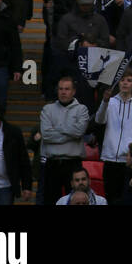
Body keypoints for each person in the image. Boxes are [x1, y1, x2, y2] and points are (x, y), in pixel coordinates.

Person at [95, 70, 132, 203]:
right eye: (122, 80)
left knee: (127, 199)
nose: (125, 83)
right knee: (111, 198)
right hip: (110, 159)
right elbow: (99, 120)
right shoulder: (110, 102)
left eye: (129, 80)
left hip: (128, 161)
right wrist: (104, 101)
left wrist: (131, 147)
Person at [39, 75, 90, 205]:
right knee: (50, 201)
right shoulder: (47, 109)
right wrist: (70, 133)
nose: (63, 92)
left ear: (73, 91)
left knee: (76, 200)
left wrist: (57, 127)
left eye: (67, 89)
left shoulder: (82, 109)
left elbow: (79, 132)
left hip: (73, 164)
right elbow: (46, 134)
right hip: (52, 163)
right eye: (61, 89)